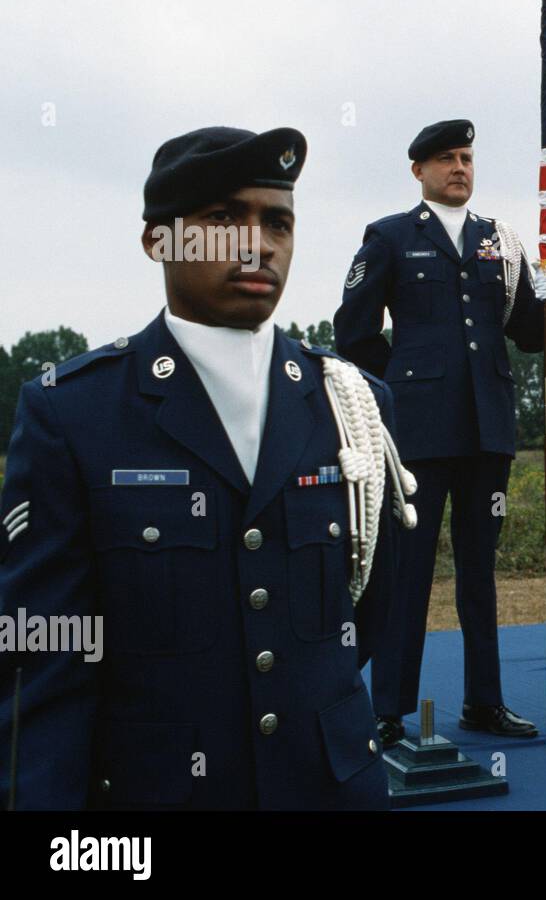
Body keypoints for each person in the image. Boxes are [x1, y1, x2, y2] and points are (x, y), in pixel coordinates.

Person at [0, 126, 412, 808]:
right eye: (224, 220)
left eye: (277, 221)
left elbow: (367, 615)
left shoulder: (354, 405)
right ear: (159, 241)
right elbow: (42, 668)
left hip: (331, 790)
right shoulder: (74, 415)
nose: (258, 243)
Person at [334, 119, 546, 743]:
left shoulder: (503, 242)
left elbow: (528, 337)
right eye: (445, 160)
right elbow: (352, 332)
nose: (459, 168)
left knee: (479, 573)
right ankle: (388, 709)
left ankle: (483, 702)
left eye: (466, 157)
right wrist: (402, 389)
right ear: (419, 171)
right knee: (405, 572)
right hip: (417, 439)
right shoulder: (388, 237)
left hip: (487, 432)